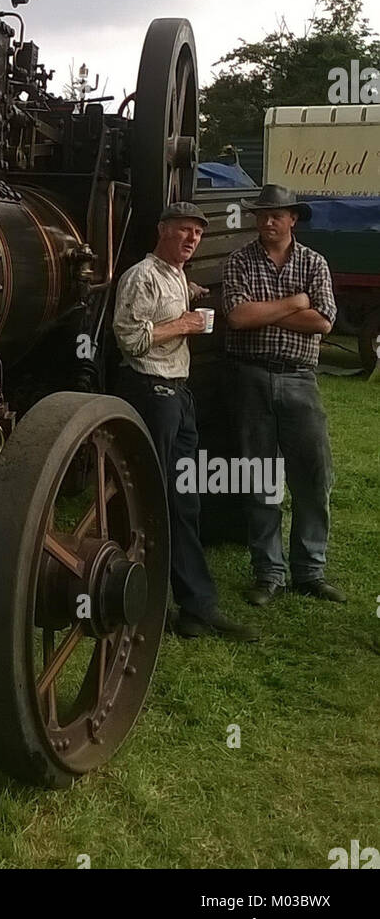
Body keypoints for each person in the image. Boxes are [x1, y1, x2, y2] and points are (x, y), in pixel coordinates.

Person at [113, 202, 258, 641]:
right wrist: (185, 324)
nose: (192, 238)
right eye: (183, 230)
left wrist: (188, 294)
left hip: (178, 394)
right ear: (162, 230)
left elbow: (162, 308)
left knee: (184, 499)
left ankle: (191, 607)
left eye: (197, 233)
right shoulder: (141, 276)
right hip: (153, 393)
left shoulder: (174, 275)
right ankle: (145, 597)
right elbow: (131, 339)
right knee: (158, 499)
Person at [221, 184, 345, 606]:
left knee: (313, 477)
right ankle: (268, 573)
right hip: (251, 378)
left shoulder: (314, 262)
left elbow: (323, 322)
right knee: (260, 478)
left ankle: (310, 571)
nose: (268, 221)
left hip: (299, 378)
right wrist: (294, 301)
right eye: (262, 215)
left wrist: (265, 311)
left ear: (294, 219)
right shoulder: (239, 260)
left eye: (277, 215)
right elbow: (238, 317)